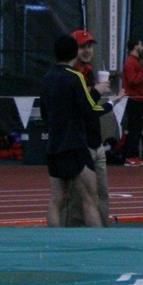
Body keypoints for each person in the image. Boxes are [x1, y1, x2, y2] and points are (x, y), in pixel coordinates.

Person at [40, 34, 121, 228]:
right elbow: (89, 110)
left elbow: (44, 114)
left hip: (54, 145)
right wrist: (111, 104)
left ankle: (53, 240)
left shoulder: (46, 78)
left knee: (56, 199)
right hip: (75, 145)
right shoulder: (74, 76)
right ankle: (97, 241)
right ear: (74, 52)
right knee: (90, 198)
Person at [62, 29, 114, 226]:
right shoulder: (71, 76)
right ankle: (74, 236)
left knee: (101, 193)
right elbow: (80, 109)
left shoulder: (89, 72)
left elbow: (90, 108)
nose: (87, 50)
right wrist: (96, 92)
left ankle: (102, 231)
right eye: (83, 47)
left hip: (95, 142)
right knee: (78, 197)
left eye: (89, 46)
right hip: (80, 144)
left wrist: (110, 103)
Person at [122, 38, 143, 166]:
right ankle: (130, 156)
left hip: (137, 99)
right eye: (141, 44)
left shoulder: (134, 62)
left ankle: (133, 155)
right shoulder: (130, 63)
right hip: (134, 99)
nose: (142, 47)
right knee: (134, 129)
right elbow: (133, 81)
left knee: (136, 129)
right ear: (135, 46)